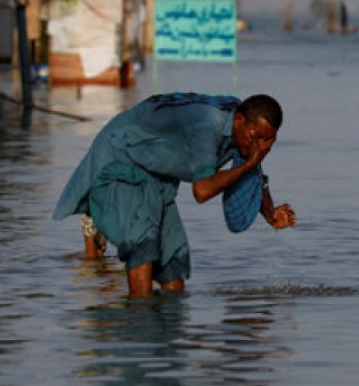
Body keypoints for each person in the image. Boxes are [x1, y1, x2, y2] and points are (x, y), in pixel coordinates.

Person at [53, 92, 297, 297]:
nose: (259, 147)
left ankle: (168, 336)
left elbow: (253, 172)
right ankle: (141, 320)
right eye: (256, 138)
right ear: (239, 120)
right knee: (144, 245)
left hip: (158, 175)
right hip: (123, 160)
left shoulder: (244, 125)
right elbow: (202, 191)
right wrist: (250, 163)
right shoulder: (207, 125)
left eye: (267, 142)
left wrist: (269, 212)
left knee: (174, 260)